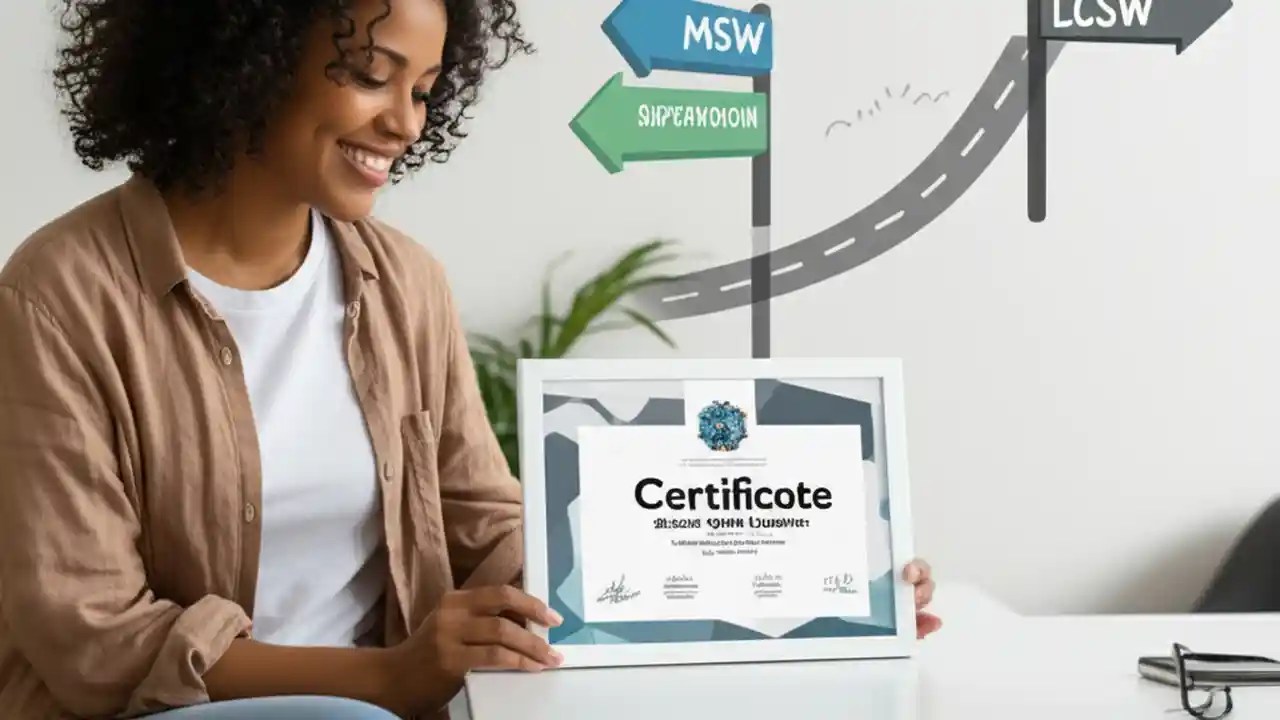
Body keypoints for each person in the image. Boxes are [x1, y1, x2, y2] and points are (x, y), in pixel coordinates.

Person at [0, 0, 942, 718]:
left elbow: (484, 524)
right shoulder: (57, 297)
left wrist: (820, 578)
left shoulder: (405, 284)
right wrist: (388, 678)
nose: (406, 125)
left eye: (422, 90)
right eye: (371, 75)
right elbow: (96, 637)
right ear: (243, 58)